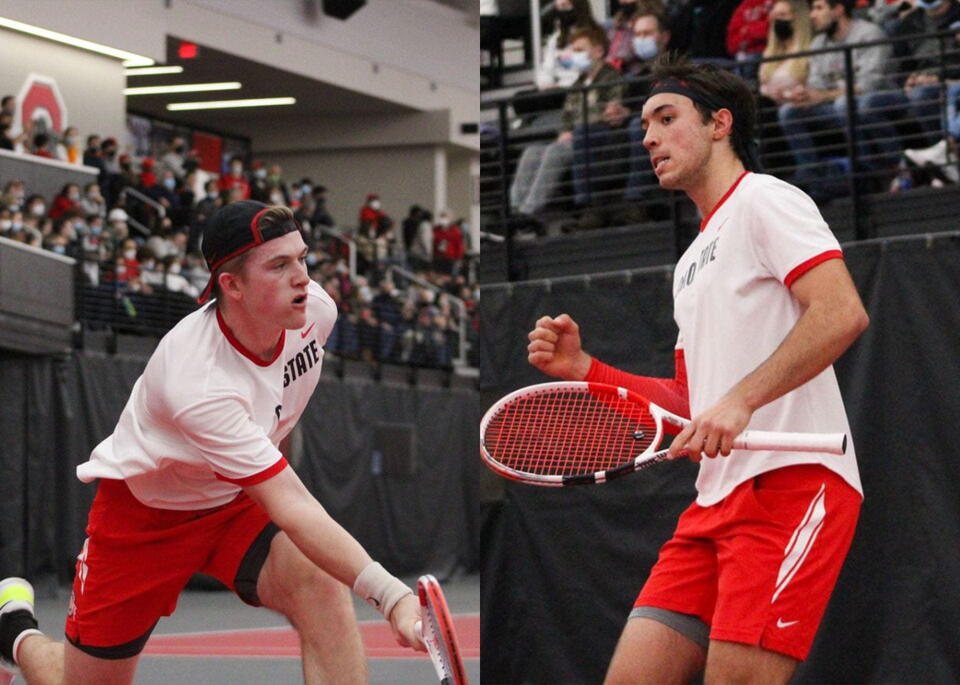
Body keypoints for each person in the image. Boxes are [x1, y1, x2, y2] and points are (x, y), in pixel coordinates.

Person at [526, 55, 868, 683]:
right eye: (644, 127)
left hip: (791, 488)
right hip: (712, 508)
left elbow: (842, 312)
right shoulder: (688, 265)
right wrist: (585, 369)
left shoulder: (767, 199)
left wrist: (740, 401)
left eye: (665, 117)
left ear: (719, 125)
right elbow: (691, 400)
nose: (649, 137)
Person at [0, 201, 424, 685]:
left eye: (302, 258)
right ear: (233, 285)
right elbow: (290, 503)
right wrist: (392, 595)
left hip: (236, 499)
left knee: (321, 584)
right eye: (279, 265)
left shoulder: (316, 313)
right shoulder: (198, 380)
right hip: (144, 519)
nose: (302, 277)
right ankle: (14, 630)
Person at [778, 0, 905, 177]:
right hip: (836, 103)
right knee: (789, 112)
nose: (812, 15)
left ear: (838, 10)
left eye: (819, 8)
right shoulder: (818, 43)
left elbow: (868, 85)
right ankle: (812, 175)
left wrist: (822, 96)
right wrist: (804, 94)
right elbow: (817, 83)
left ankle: (864, 171)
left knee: (844, 104)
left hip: (879, 97)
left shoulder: (868, 34)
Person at [510, 26, 625, 220]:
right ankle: (514, 208)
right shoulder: (578, 84)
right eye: (573, 50)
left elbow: (611, 111)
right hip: (573, 137)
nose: (574, 55)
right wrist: (565, 131)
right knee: (532, 152)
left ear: (598, 51)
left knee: (556, 152)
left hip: (595, 137)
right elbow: (567, 116)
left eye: (580, 50)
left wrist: (576, 129)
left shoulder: (611, 78)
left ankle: (529, 211)